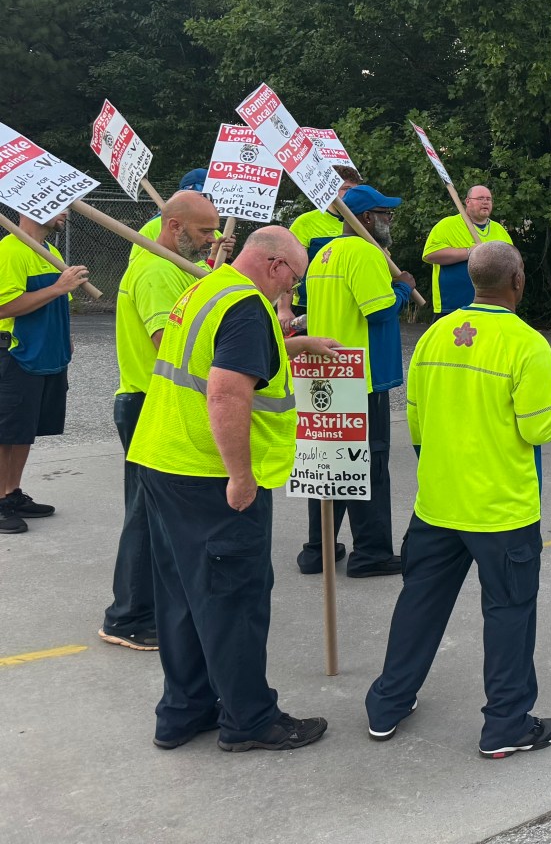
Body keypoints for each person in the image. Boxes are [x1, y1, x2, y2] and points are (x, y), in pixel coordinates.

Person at [366, 242, 551, 757]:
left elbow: (419, 424)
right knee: (510, 613)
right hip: (502, 511)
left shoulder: (432, 336)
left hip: (438, 504)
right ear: (518, 279)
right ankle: (506, 724)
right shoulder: (525, 343)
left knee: (419, 606)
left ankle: (387, 703)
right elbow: (539, 427)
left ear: (473, 280)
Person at [128, 226, 338, 751]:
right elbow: (224, 392)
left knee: (181, 596)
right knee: (233, 599)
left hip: (165, 460)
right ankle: (249, 720)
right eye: (294, 278)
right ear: (274, 265)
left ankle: (184, 711)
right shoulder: (246, 308)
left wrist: (297, 345)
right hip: (211, 477)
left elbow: (217, 365)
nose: (291, 291)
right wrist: (241, 476)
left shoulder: (208, 287)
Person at [100, 191, 219, 649]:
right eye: (205, 231)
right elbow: (169, 343)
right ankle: (129, 616)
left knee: (153, 512)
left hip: (153, 401)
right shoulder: (155, 272)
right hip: (148, 401)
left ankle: (142, 608)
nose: (212, 240)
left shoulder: (172, 268)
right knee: (146, 515)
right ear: (175, 227)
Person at [296, 185, 414, 577]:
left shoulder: (324, 252)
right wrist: (404, 288)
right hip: (361, 375)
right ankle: (372, 553)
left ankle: (319, 549)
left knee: (328, 466)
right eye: (385, 212)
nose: (389, 219)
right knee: (369, 465)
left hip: (325, 372)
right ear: (364, 219)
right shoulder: (365, 253)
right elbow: (378, 310)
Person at [0, 211, 88, 534]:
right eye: (58, 205)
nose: (64, 212)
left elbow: (57, 303)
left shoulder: (50, 253)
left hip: (47, 354)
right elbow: (4, 307)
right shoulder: (10, 250)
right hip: (15, 352)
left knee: (25, 429)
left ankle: (11, 492)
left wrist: (65, 337)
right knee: (5, 429)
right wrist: (58, 288)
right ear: (32, 209)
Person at [421, 184, 513, 319]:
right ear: (468, 202)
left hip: (492, 307)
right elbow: (430, 255)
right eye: (480, 198)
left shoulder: (499, 231)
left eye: (488, 199)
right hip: (452, 306)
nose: (485, 202)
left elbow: (512, 265)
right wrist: (470, 252)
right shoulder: (447, 225)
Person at [288, 163, 364, 317]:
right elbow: (288, 267)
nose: (353, 195)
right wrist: (283, 310)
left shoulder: (365, 222)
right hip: (308, 305)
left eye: (357, 190)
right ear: (329, 190)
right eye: (347, 189)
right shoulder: (306, 222)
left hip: (352, 306)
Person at [131, 169, 230, 267]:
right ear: (175, 226)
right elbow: (139, 265)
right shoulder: (152, 228)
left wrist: (221, 259)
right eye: (204, 231)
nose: (211, 238)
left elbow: (208, 274)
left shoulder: (216, 234)